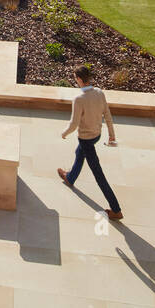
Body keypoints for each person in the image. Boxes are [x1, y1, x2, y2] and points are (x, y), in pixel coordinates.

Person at [57, 64, 123, 220]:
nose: (75, 81)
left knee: (98, 174)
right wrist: (111, 135)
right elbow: (107, 114)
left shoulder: (79, 99)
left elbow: (74, 123)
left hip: (86, 138)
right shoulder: (99, 93)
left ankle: (116, 209)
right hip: (97, 135)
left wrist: (64, 133)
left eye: (75, 79)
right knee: (79, 153)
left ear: (80, 79)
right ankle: (70, 177)